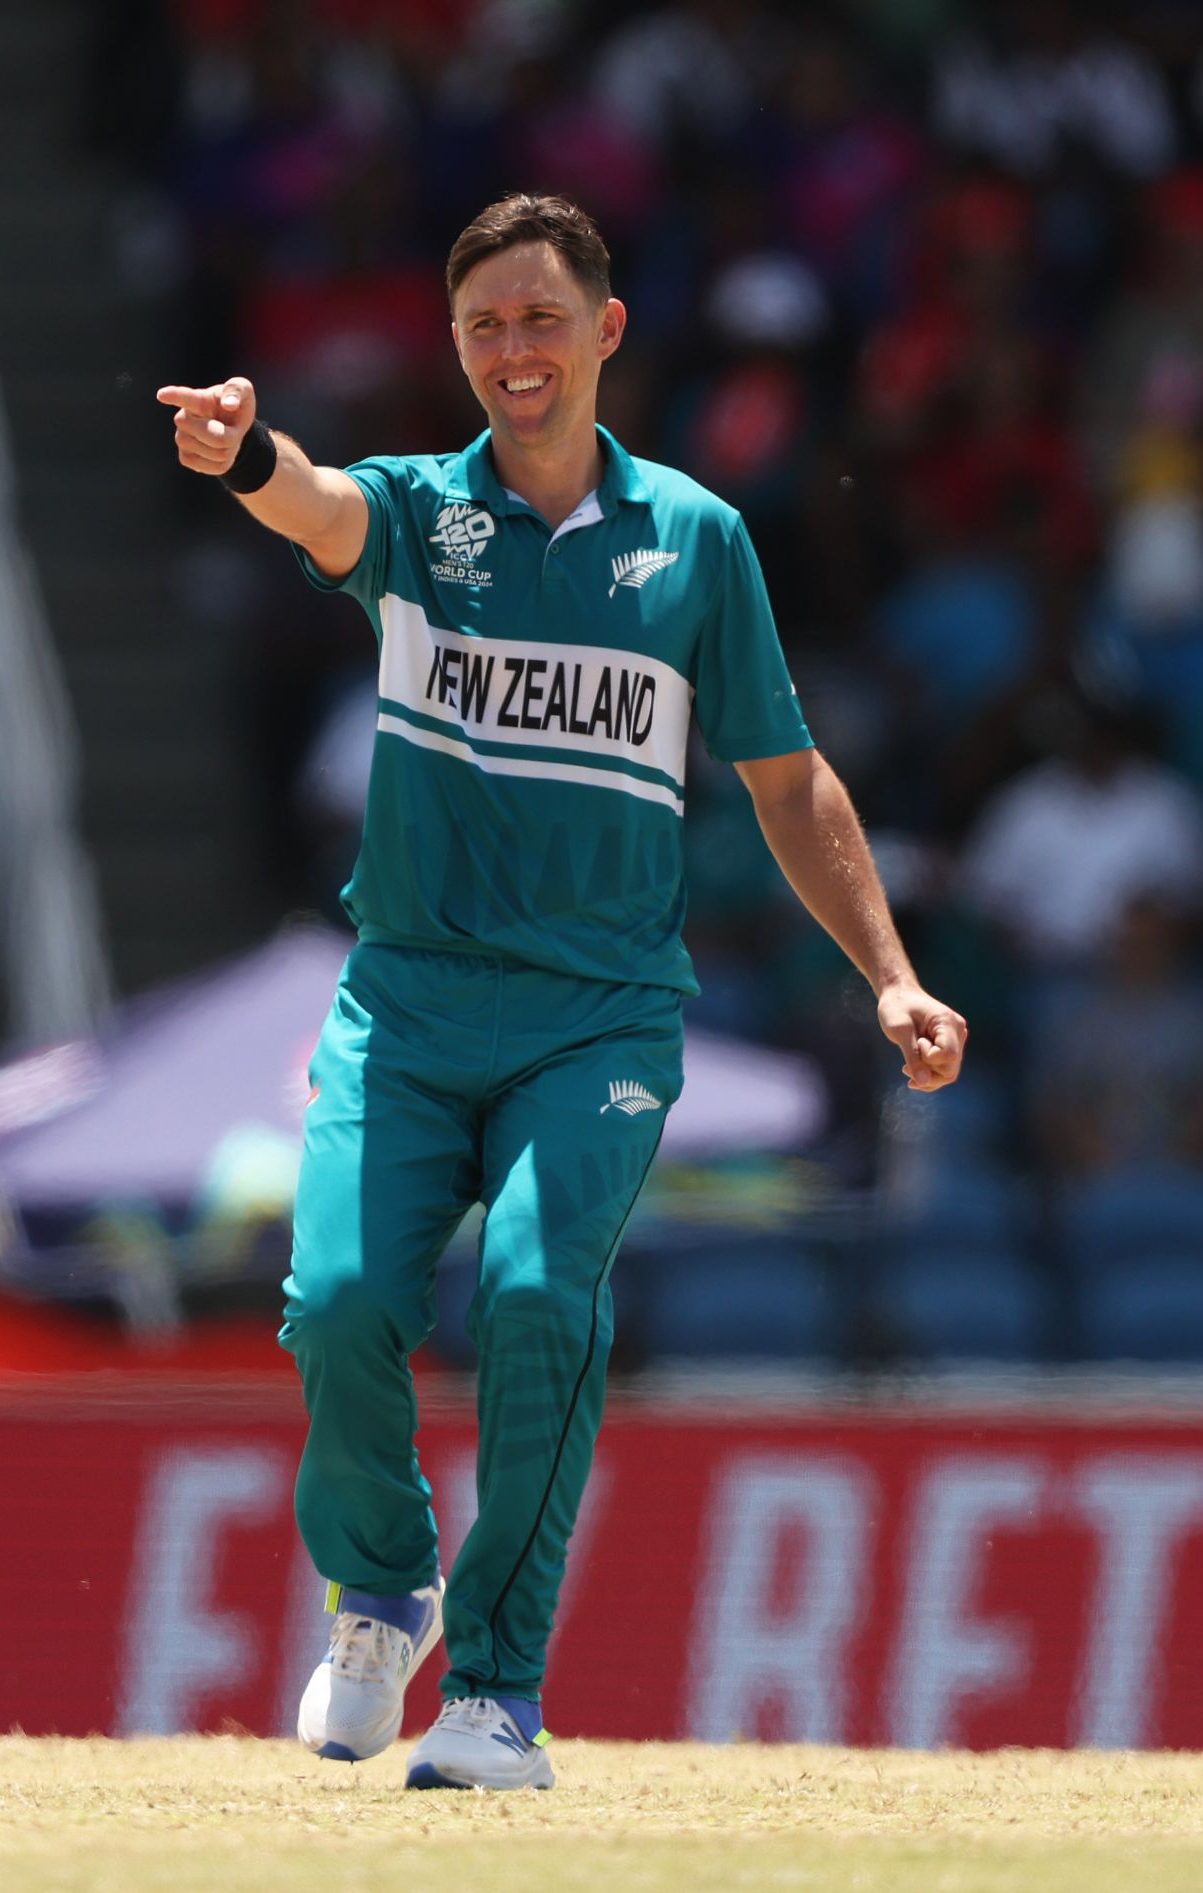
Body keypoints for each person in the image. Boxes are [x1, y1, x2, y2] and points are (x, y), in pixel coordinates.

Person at [157, 193, 966, 1791]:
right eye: (480, 327)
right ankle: (385, 1589)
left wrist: (891, 974)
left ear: (604, 329)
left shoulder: (698, 540)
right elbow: (319, 506)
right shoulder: (418, 508)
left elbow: (790, 784)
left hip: (597, 1017)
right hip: (407, 996)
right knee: (338, 1304)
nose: (509, 353)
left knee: (536, 1301)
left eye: (538, 318)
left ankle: (499, 1693)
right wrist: (252, 456)